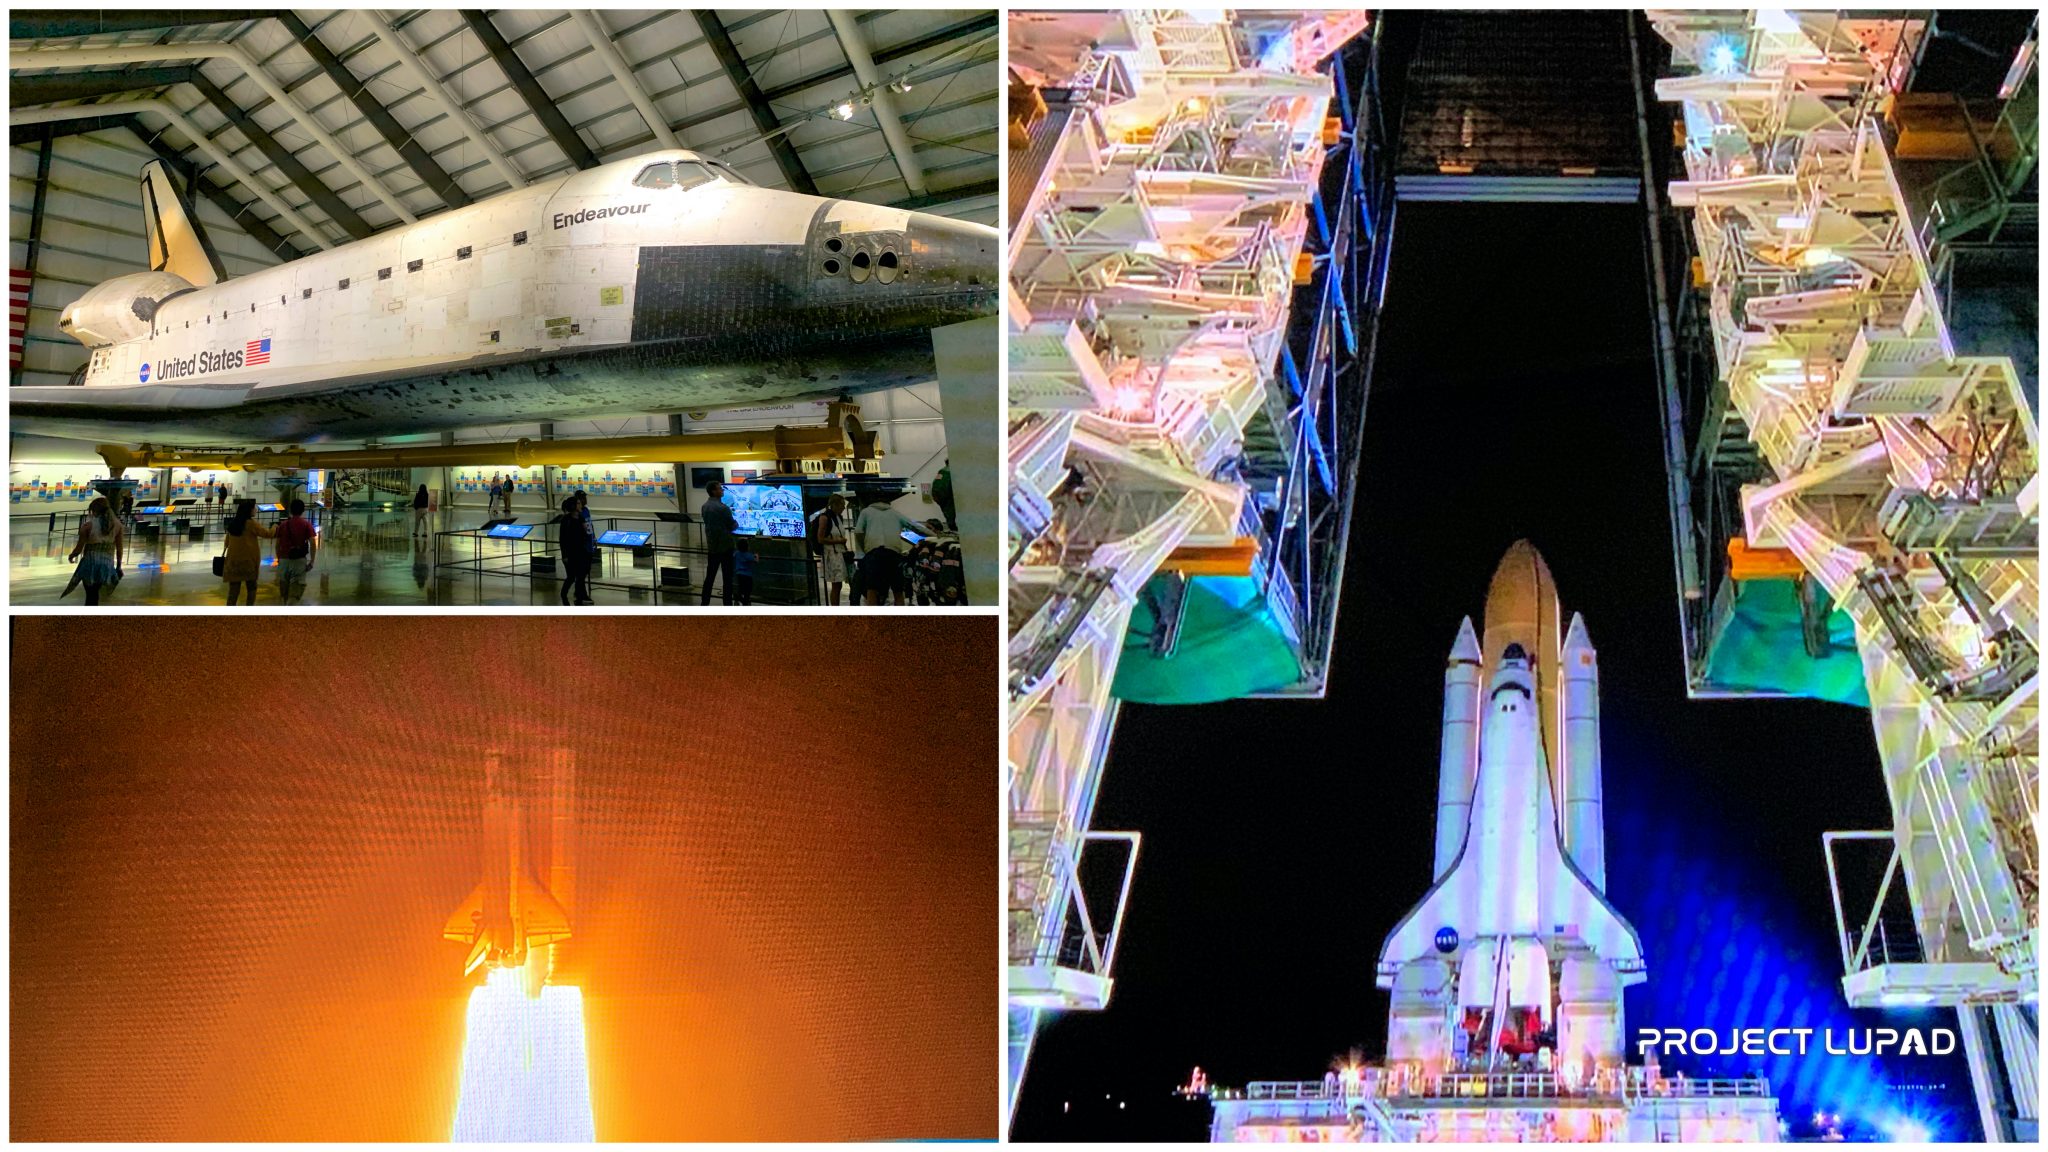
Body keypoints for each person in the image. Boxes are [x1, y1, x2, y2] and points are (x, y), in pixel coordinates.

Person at [853, 494, 924, 605]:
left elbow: (858, 531)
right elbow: (915, 527)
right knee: (898, 590)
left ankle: (873, 619)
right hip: (894, 554)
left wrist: (864, 549)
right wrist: (936, 535)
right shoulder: (895, 513)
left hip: (874, 554)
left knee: (871, 589)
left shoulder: (865, 512)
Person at [65, 495, 125, 605]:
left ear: (94, 510)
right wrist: (119, 566)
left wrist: (72, 555)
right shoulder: (118, 525)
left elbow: (79, 547)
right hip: (106, 564)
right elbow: (119, 548)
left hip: (90, 563)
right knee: (96, 592)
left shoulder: (87, 526)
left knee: (90, 594)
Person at [220, 497, 274, 605]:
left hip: (233, 562)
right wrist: (275, 527)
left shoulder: (233, 523)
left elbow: (227, 543)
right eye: (254, 508)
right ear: (248, 510)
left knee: (233, 591)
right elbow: (267, 534)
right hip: (248, 562)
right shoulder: (251, 523)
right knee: (251, 587)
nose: (255, 510)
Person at [808, 493, 852, 606]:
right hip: (831, 555)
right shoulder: (825, 518)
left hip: (839, 554)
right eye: (842, 505)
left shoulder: (838, 518)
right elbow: (820, 539)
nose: (843, 507)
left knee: (839, 584)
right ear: (835, 505)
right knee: (836, 585)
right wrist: (839, 541)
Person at [698, 480, 737, 605]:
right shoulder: (723, 508)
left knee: (709, 578)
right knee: (727, 578)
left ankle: (704, 603)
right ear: (714, 491)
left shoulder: (704, 506)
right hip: (726, 547)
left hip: (712, 547)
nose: (722, 490)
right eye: (720, 488)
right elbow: (732, 525)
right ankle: (727, 604)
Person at [273, 498, 317, 605]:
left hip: (284, 560)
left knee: (285, 590)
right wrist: (311, 561)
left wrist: (279, 558)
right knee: (296, 591)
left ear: (290, 510)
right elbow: (313, 544)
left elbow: (277, 544)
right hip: (299, 561)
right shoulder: (306, 524)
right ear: (302, 510)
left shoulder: (283, 525)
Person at [554, 494, 594, 606]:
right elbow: (563, 539)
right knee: (571, 576)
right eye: (578, 503)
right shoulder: (566, 520)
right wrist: (564, 555)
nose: (580, 504)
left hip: (581, 551)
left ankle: (581, 596)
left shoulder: (581, 518)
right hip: (571, 553)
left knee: (581, 576)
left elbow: (587, 532)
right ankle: (563, 594)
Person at [932, 460, 957, 531]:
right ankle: (953, 529)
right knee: (950, 513)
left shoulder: (941, 471)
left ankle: (952, 528)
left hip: (938, 496)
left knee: (948, 514)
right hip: (946, 495)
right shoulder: (951, 471)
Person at [732, 540, 756, 605]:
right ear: (747, 547)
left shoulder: (737, 553)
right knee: (748, 590)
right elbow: (755, 560)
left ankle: (739, 599)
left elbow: (733, 555)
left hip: (739, 574)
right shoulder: (749, 555)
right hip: (748, 576)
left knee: (740, 588)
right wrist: (757, 555)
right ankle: (745, 602)